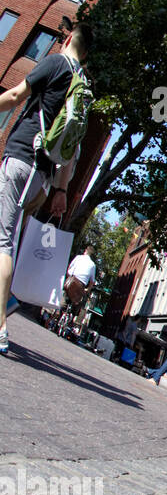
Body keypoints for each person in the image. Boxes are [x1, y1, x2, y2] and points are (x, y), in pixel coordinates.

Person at [0, 24, 92, 355]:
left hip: (22, 157)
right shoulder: (83, 86)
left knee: (3, 242)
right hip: (43, 176)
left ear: (68, 40)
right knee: (9, 236)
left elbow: (14, 96)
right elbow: (71, 149)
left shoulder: (55, 63)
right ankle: (6, 299)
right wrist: (61, 191)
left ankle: (0, 325)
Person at [64, 245, 96, 311]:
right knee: (78, 302)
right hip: (81, 286)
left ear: (86, 250)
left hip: (72, 281)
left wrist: (68, 278)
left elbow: (69, 270)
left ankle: (59, 310)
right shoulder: (93, 265)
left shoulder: (78, 257)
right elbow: (92, 281)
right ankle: (73, 312)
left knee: (65, 296)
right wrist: (88, 289)